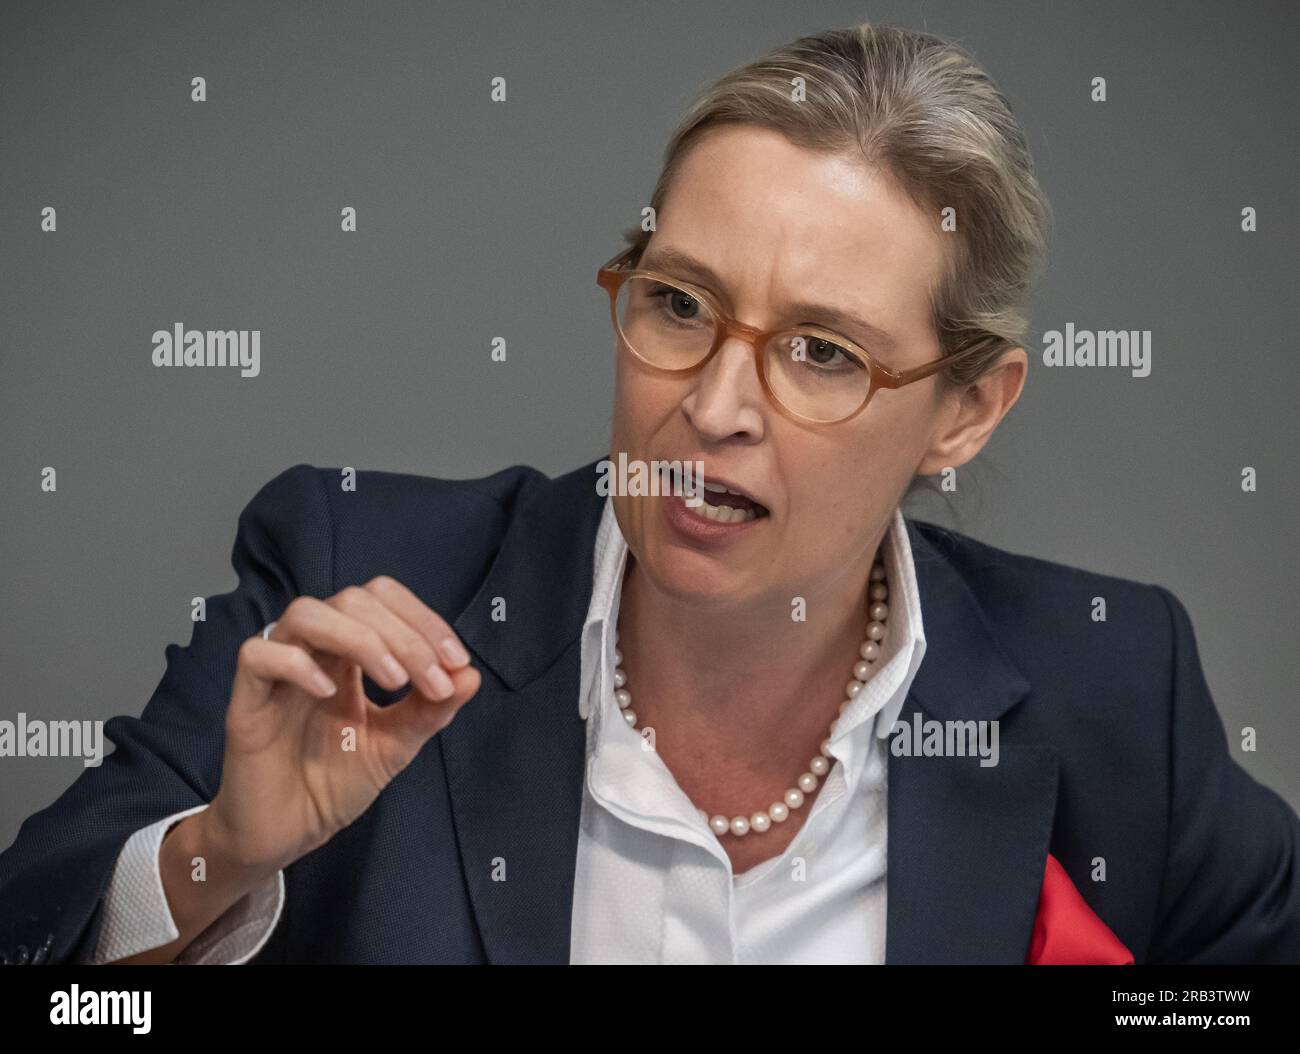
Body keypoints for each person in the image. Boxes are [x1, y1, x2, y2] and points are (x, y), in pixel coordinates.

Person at [1, 20, 1296, 966]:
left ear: (964, 409)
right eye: (679, 304)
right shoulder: (351, 568)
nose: (715, 405)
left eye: (822, 352)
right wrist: (222, 851)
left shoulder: (1115, 688)